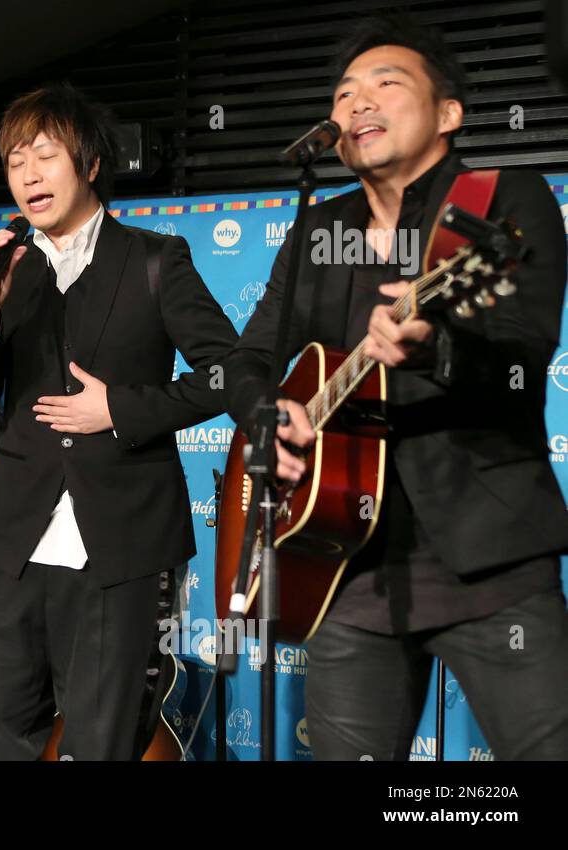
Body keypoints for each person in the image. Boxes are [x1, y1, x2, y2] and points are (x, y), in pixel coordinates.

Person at [224, 14, 568, 760]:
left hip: (489, 555)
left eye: (387, 83)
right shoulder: (319, 229)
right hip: (344, 562)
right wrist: (266, 413)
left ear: (448, 114)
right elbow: (247, 359)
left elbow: (522, 355)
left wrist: (436, 348)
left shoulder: (501, 202)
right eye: (344, 94)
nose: (359, 103)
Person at [0, 84, 238, 759]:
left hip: (123, 545)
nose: (28, 175)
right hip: (15, 546)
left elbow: (229, 372)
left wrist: (119, 409)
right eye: (15, 161)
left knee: (102, 742)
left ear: (89, 162)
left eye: (44, 155)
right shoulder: (11, 273)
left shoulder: (155, 258)